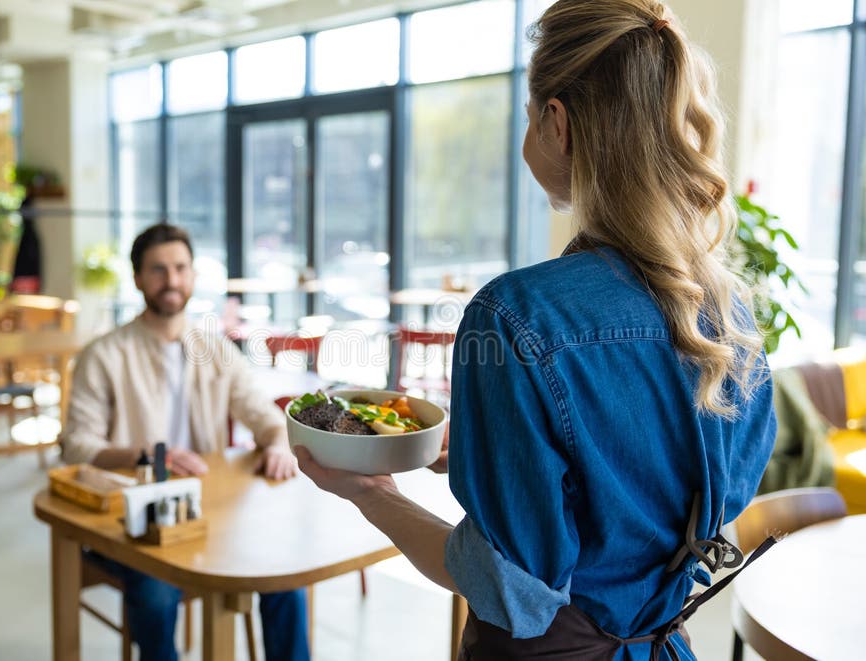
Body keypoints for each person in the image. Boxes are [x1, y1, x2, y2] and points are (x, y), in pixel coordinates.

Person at [296, 2, 776, 659]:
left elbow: (513, 593)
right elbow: (662, 507)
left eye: (528, 114)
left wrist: (370, 493)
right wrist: (484, 450)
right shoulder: (730, 321)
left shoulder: (516, 317)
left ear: (557, 123)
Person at [60, 223, 309, 661]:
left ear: (193, 275)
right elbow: (76, 446)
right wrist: (150, 456)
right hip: (131, 521)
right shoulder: (104, 355)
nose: (171, 281)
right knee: (156, 595)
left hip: (209, 514)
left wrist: (274, 443)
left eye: (180, 268)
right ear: (137, 278)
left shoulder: (214, 349)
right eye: (158, 270)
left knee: (283, 578)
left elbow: (264, 416)